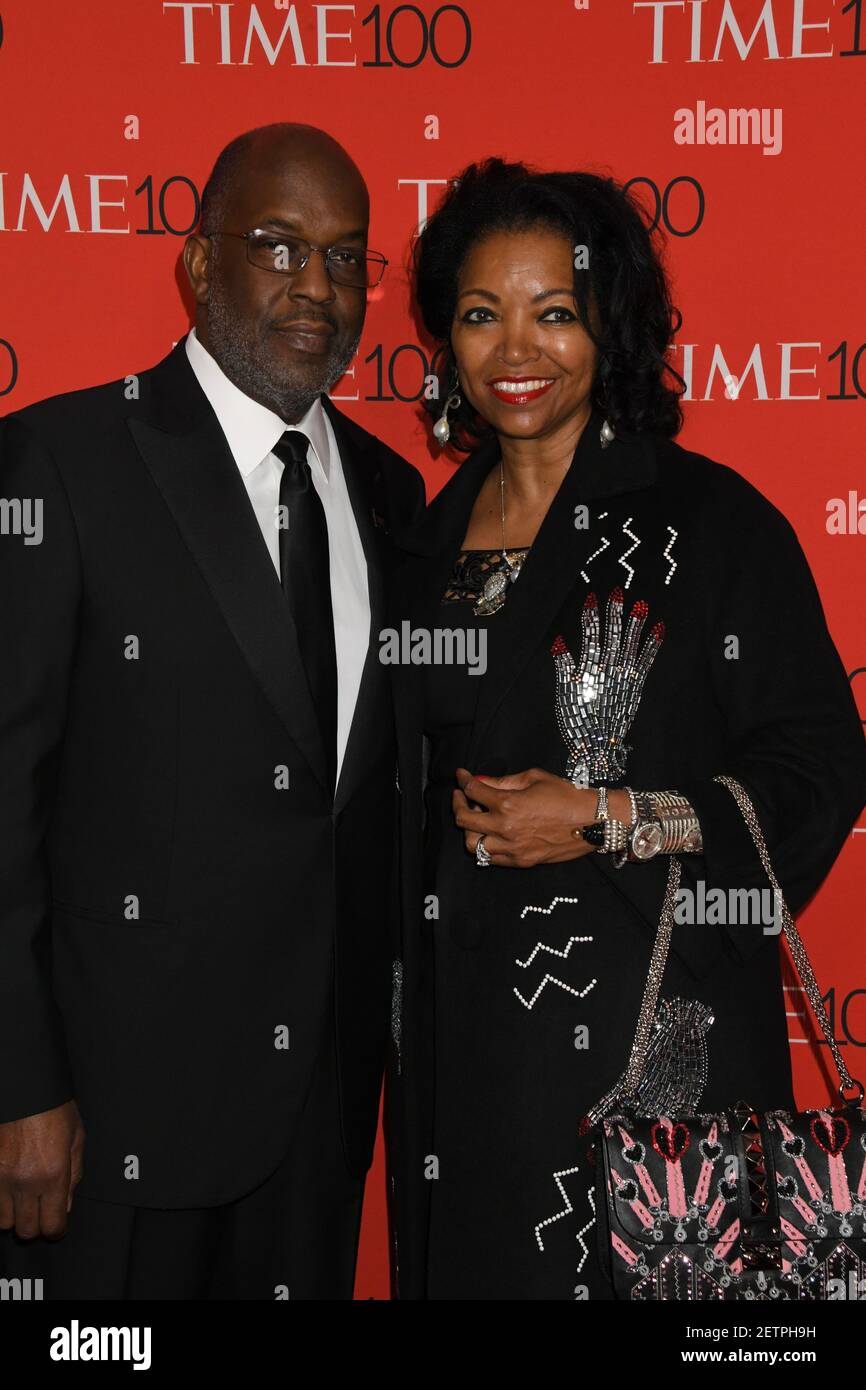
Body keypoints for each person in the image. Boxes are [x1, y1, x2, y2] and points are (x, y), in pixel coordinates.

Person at [384, 158, 866, 1300]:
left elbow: (816, 767)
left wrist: (609, 819)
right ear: (442, 342)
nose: (516, 350)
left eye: (554, 312)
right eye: (479, 314)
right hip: (465, 1066)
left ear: (611, 325)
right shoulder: (415, 543)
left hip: (650, 1063)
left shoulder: (712, 523)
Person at [0, 123, 424, 1300]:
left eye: (347, 259)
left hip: (315, 1126)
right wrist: (19, 1085)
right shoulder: (61, 464)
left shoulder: (392, 495)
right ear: (196, 264)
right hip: (106, 1129)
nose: (318, 287)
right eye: (278, 245)